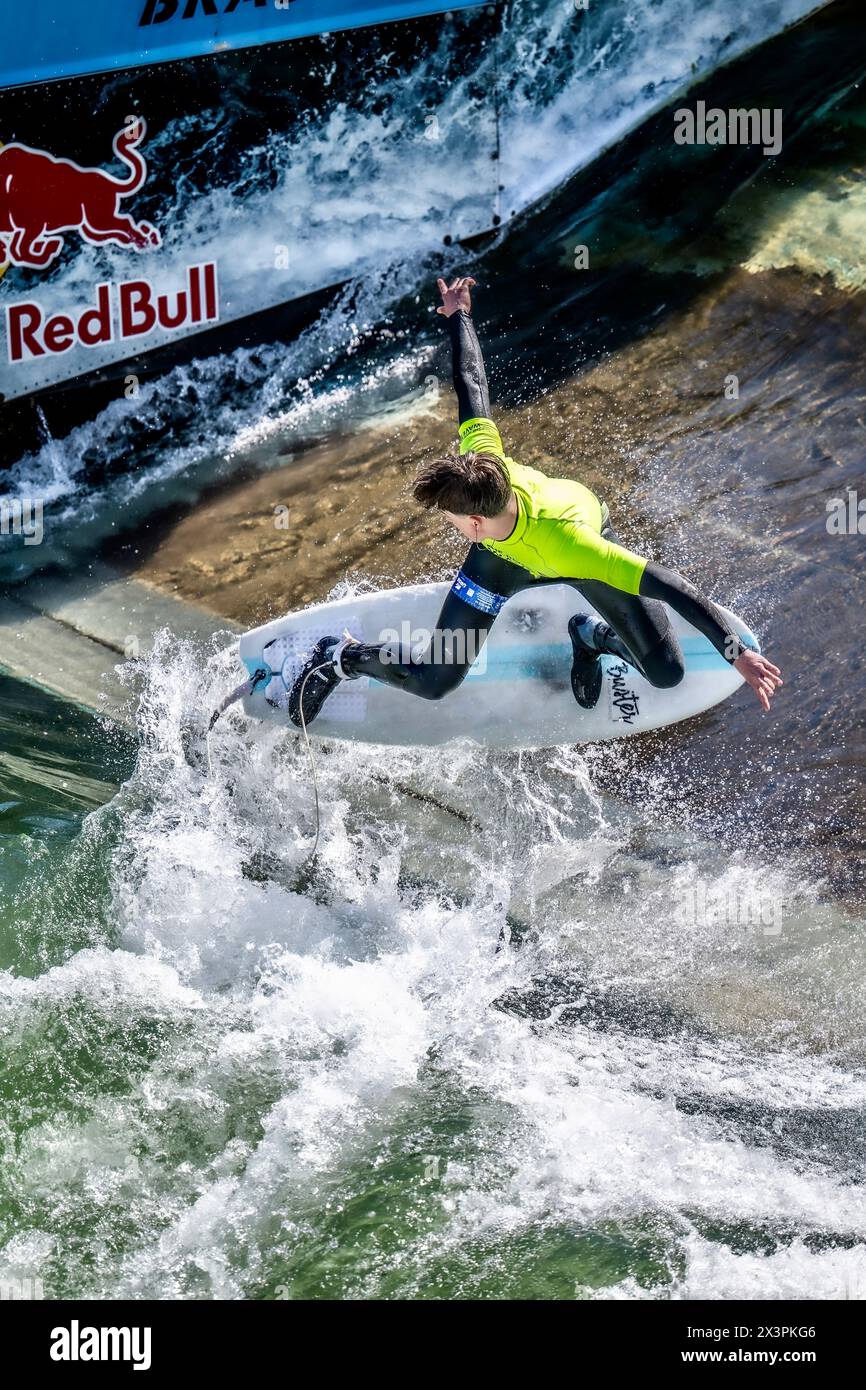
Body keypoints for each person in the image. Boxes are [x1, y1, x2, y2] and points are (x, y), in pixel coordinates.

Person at [288, 275, 782, 727]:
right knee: (434, 682)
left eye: (453, 520)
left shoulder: (578, 548)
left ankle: (590, 637)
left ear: (475, 520)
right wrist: (459, 315)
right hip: (501, 566)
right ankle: (341, 657)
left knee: (667, 674)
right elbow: (472, 384)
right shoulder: (483, 460)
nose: (451, 526)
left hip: (568, 552)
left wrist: (735, 652)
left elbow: (671, 586)